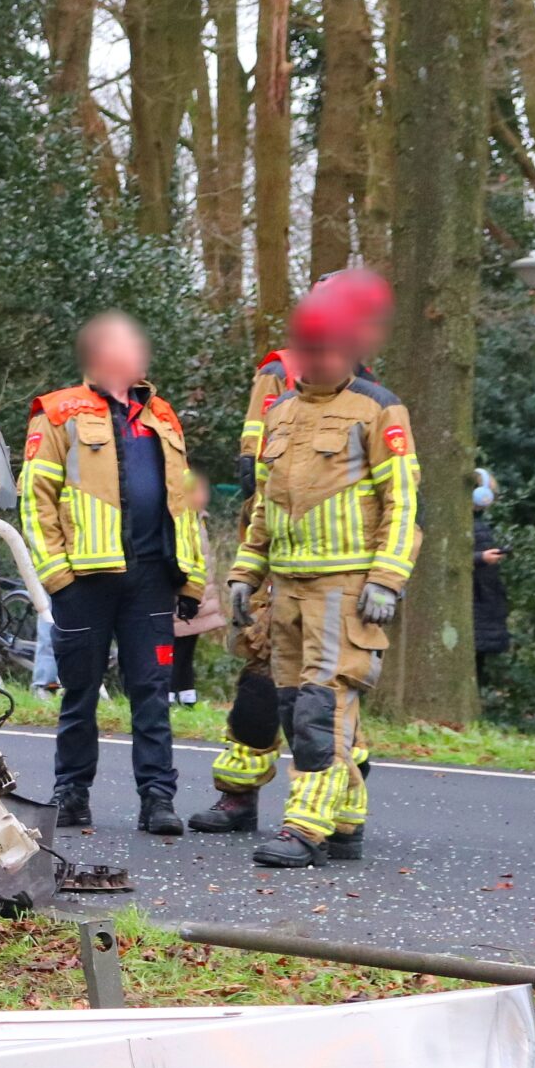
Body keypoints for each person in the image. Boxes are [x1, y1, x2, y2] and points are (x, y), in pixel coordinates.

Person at [192, 268, 395, 834]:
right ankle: (239, 792)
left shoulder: (373, 394)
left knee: (325, 691)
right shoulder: (280, 373)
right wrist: (253, 570)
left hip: (340, 567)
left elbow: (393, 496)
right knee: (265, 677)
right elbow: (257, 473)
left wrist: (382, 573)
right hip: (281, 560)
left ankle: (335, 803)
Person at [227, 286, 420, 868]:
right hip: (285, 587)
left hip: (346, 589)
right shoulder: (280, 411)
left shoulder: (379, 409)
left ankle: (304, 828)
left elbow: (404, 502)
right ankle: (345, 821)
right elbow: (265, 504)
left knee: (321, 709)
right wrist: (245, 571)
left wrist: (386, 578)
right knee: (294, 709)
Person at [21, 312, 208, 835]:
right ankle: (72, 792)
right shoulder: (57, 413)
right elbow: (34, 500)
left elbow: (184, 504)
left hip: (151, 578)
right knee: (79, 691)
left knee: (152, 689)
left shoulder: (163, 417)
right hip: (85, 580)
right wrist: (56, 575)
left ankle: (157, 798)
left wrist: (190, 579)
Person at [171, 471, 224, 706]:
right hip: (186, 593)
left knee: (186, 650)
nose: (204, 496)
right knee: (176, 650)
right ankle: (174, 694)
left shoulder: (198, 519)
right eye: (198, 491)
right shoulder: (182, 519)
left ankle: (186, 694)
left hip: (200, 594)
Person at [471, 468, 511, 686]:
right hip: (476, 600)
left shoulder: (480, 524)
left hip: (484, 599)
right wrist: (480, 558)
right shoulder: (467, 525)